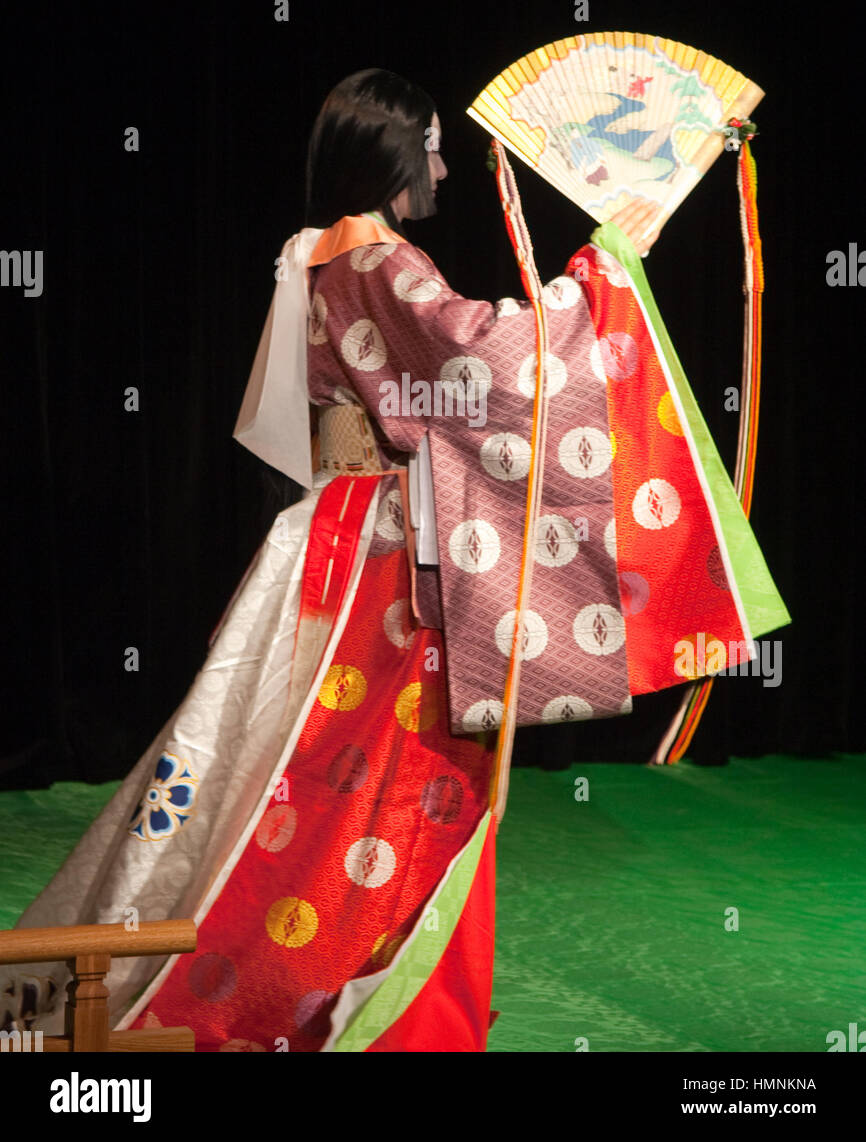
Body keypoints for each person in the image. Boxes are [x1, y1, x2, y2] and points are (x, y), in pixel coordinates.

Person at [3, 69, 789, 1052]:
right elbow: (491, 361)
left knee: (269, 773)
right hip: (370, 562)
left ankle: (216, 968)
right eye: (429, 144)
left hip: (332, 536)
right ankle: (361, 1001)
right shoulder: (373, 259)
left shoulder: (323, 254)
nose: (443, 164)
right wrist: (603, 273)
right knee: (387, 779)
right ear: (388, 153)